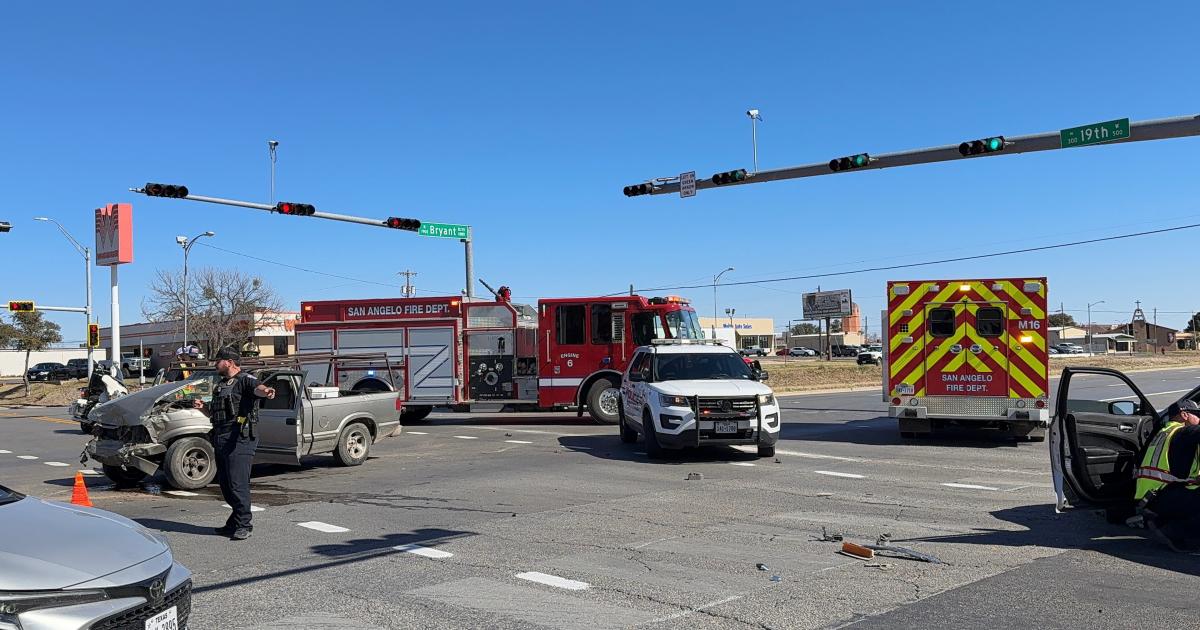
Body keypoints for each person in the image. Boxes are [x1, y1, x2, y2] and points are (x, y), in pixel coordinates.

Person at [192, 346, 275, 540]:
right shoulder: (222, 385)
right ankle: (235, 521)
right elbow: (215, 412)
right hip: (221, 437)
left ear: (229, 362)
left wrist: (268, 391)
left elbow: (259, 388)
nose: (215, 364)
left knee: (238, 484)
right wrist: (203, 407)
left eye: (218, 360)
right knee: (225, 484)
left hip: (240, 438)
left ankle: (244, 524)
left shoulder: (245, 380)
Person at [1135, 399, 1200, 552]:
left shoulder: (1162, 433)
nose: (1199, 419)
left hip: (1150, 498)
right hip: (1164, 498)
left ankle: (1166, 523)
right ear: (1184, 415)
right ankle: (1175, 532)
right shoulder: (1183, 432)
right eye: (1197, 415)